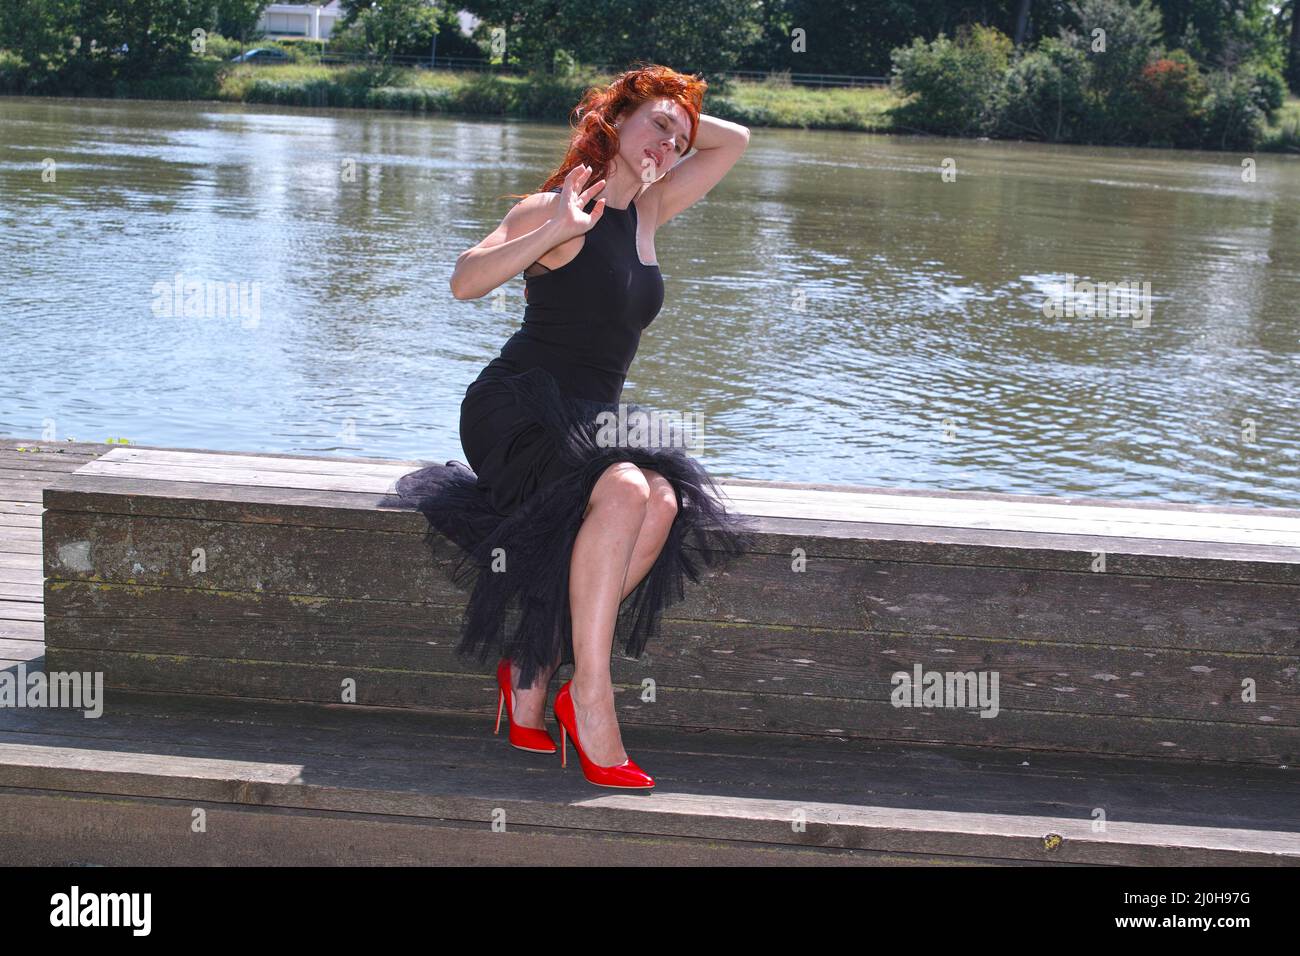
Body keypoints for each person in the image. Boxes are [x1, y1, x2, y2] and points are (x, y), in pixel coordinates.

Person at [396, 63, 756, 789]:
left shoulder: (649, 211)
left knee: (659, 500)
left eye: (679, 139)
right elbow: (465, 280)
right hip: (517, 408)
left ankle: (534, 666)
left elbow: (735, 141)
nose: (669, 144)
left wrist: (676, 117)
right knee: (627, 488)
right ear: (612, 120)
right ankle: (589, 696)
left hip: (591, 420)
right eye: (655, 125)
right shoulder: (555, 206)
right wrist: (556, 228)